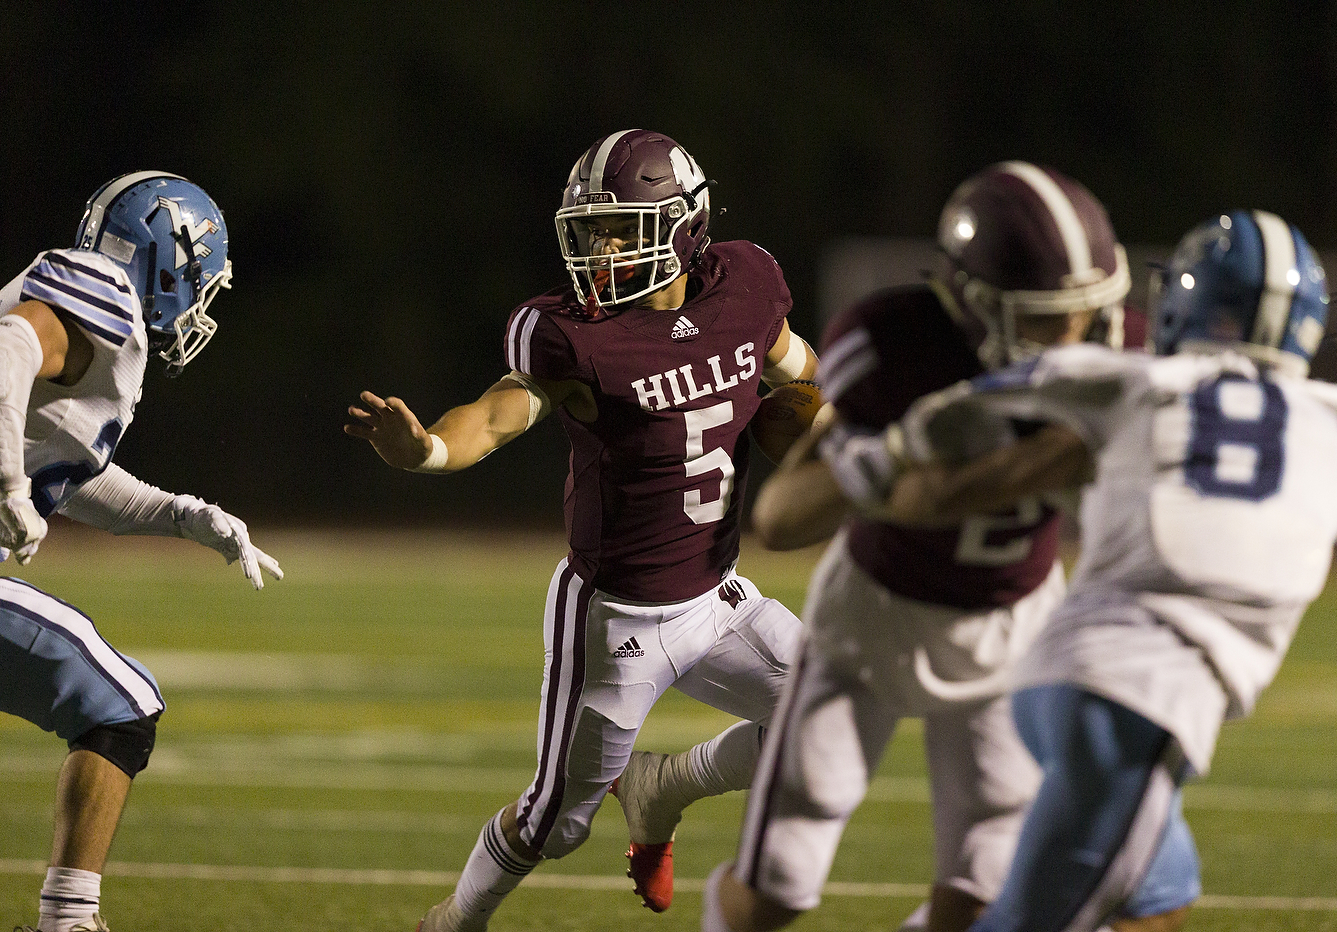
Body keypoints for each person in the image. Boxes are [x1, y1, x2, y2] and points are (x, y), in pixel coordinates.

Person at [818, 209, 1337, 932]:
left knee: (1160, 902)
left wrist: (885, 455)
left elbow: (998, 389)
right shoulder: (1335, 426)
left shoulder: (1134, 380)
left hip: (1057, 676)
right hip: (1140, 699)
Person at [344, 129, 820, 931]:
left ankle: (667, 784)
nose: (598, 253)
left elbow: (797, 373)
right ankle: (452, 920)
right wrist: (425, 448)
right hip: (615, 616)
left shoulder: (745, 286)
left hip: (722, 597)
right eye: (588, 233)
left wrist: (834, 433)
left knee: (826, 720)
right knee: (552, 825)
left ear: (683, 227)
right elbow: (497, 415)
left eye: (618, 232)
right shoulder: (572, 335)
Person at [703, 161, 1169, 932]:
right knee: (778, 884)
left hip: (1013, 622)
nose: (1081, 335)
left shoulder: (1126, 353)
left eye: (1093, 309)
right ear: (977, 306)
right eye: (1054, 315)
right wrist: (875, 463)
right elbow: (783, 520)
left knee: (980, 886)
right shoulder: (898, 341)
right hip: (873, 620)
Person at [1, 172, 283, 932]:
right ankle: (69, 921)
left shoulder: (97, 325)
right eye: (200, 283)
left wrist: (188, 517)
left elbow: (73, 476)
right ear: (172, 261)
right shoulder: (103, 288)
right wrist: (4, 477)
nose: (199, 304)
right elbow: (12, 342)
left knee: (116, 704)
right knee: (121, 706)